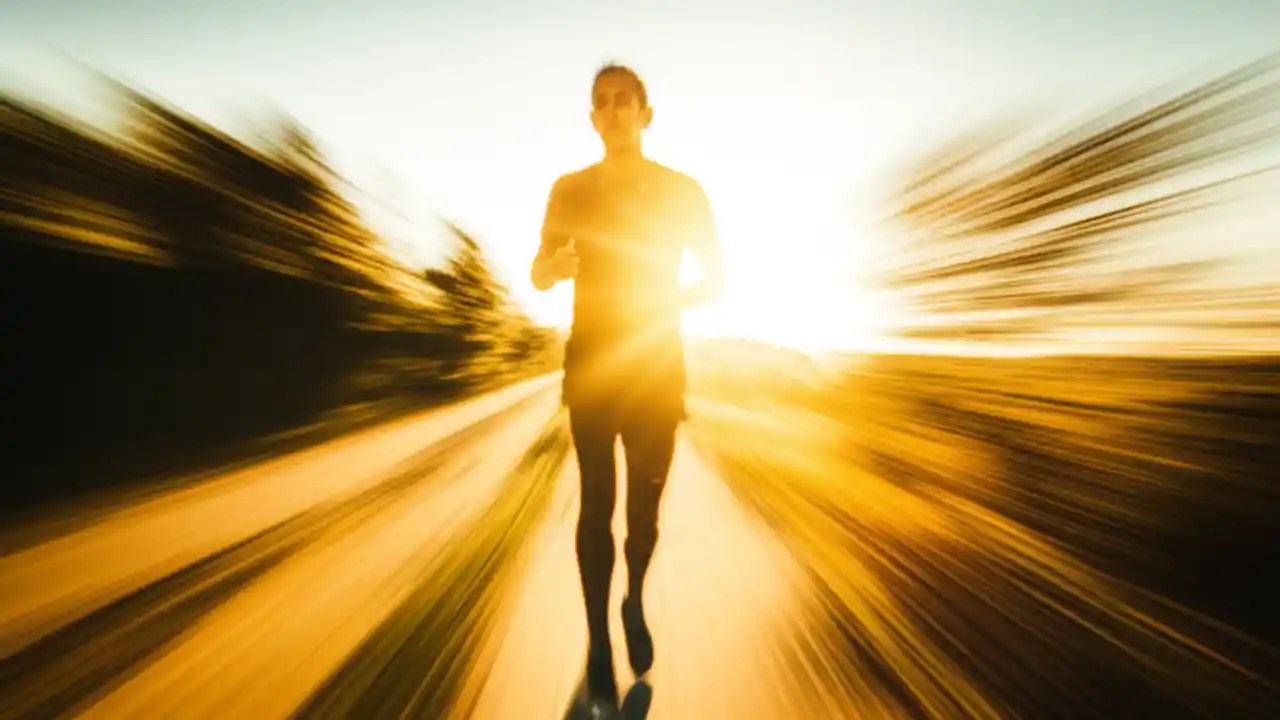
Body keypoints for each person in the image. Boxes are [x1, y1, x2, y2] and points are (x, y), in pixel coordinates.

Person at [530, 62, 726, 710]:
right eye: (602, 103)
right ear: (592, 119)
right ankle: (595, 644)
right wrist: (553, 267)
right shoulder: (568, 189)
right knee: (595, 510)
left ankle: (634, 598)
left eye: (624, 101)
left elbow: (719, 277)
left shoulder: (683, 191)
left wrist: (663, 299)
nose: (613, 111)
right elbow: (537, 271)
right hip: (591, 366)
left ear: (646, 113)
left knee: (642, 519)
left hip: (655, 367)